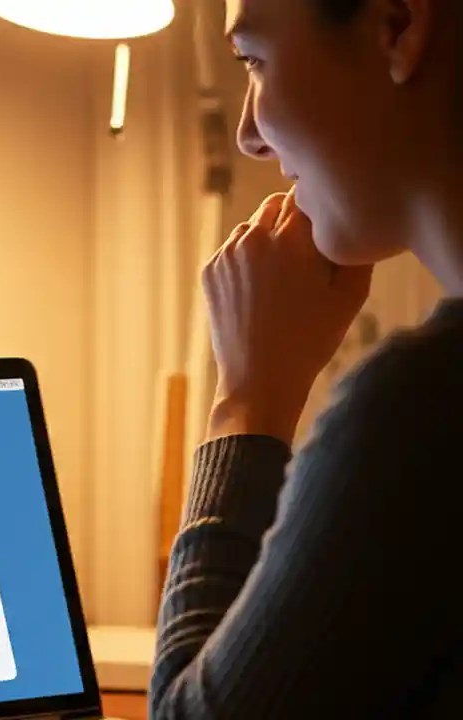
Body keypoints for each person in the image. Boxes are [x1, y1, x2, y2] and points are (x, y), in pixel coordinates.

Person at [150, 0, 463, 716]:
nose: (248, 134)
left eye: (255, 60)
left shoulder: (423, 414)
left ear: (398, 26)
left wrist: (249, 398)